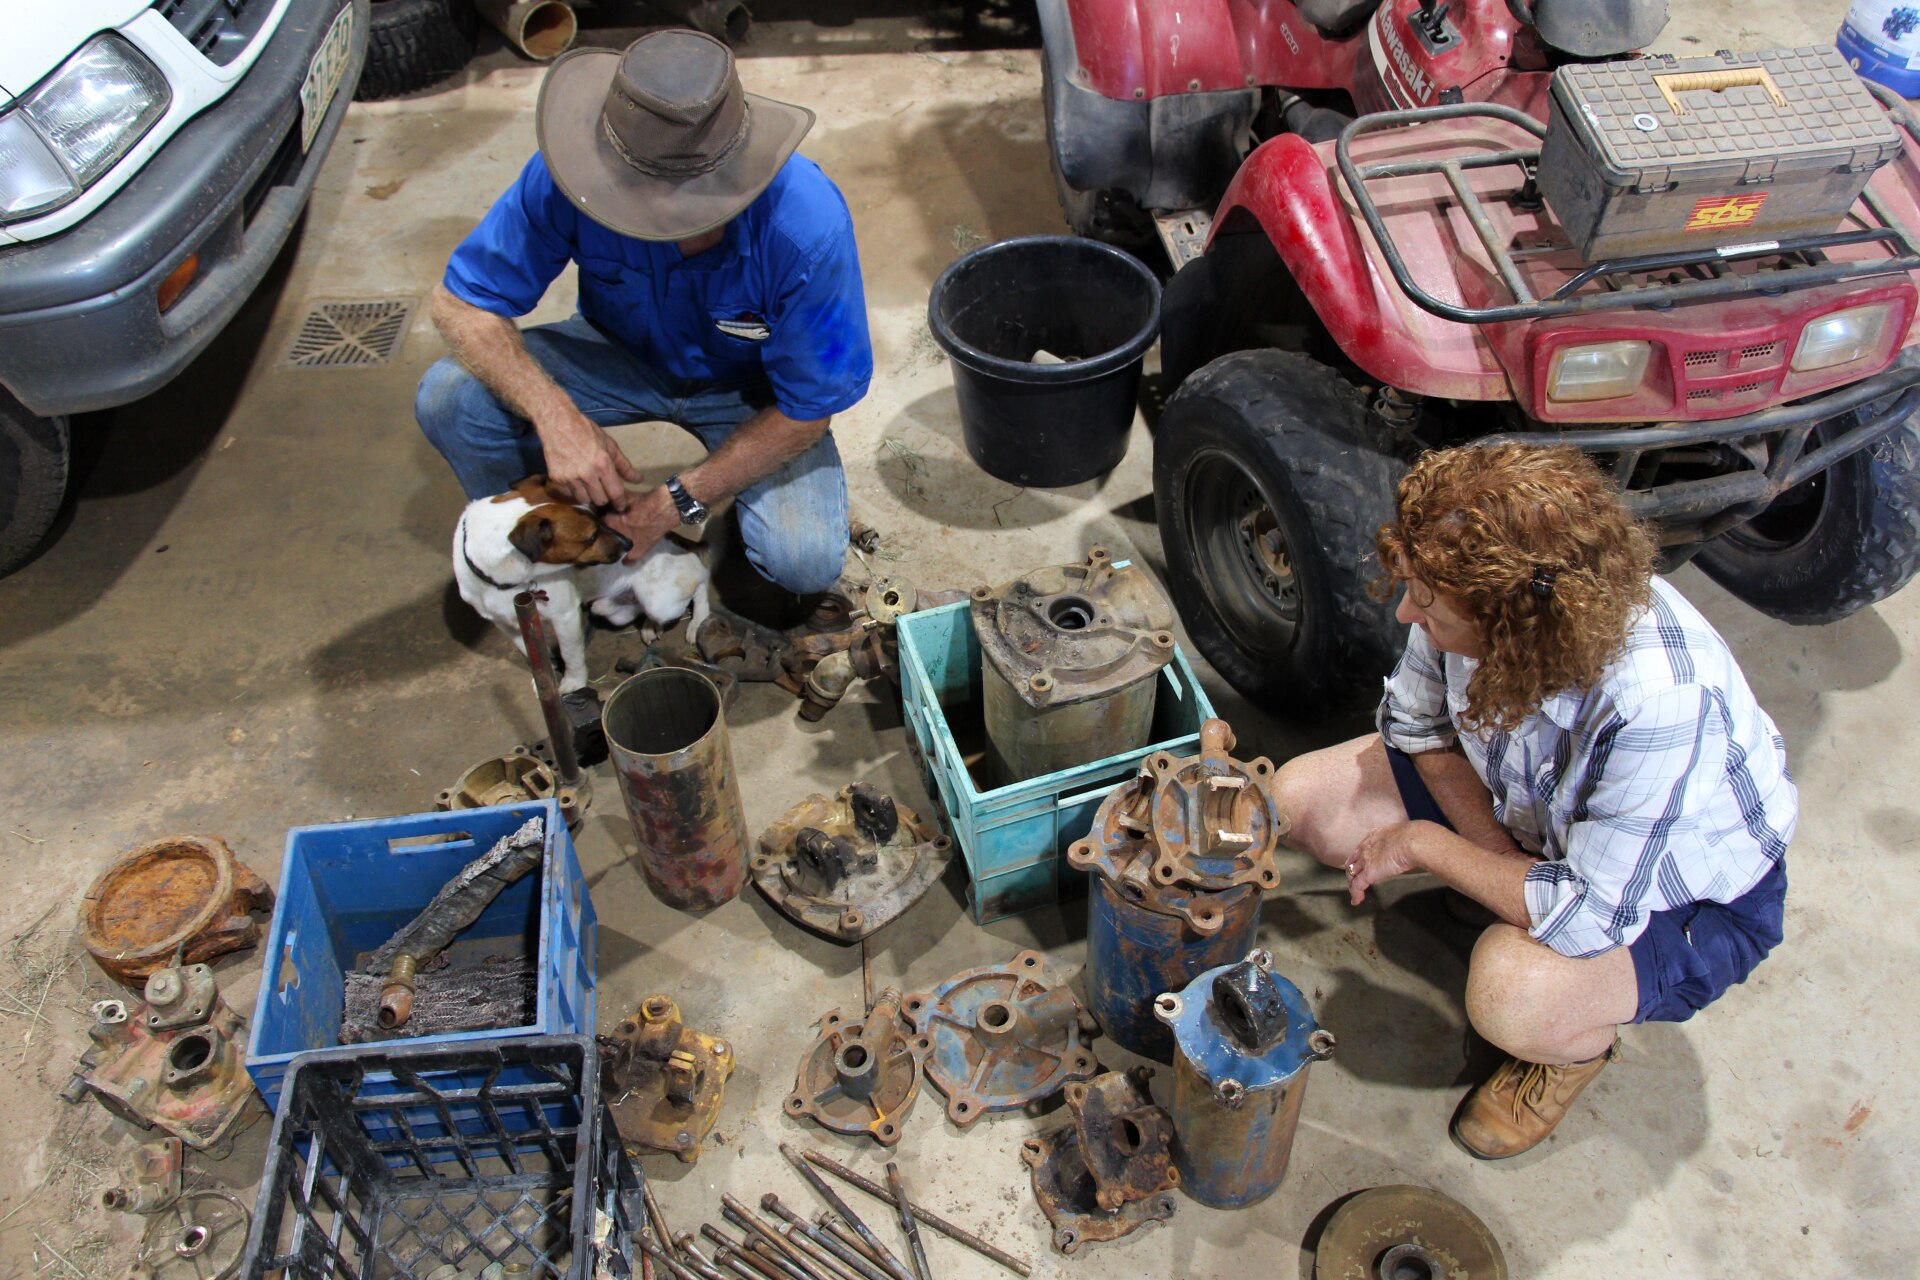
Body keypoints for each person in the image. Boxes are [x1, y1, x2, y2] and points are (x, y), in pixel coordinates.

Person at [1272, 444, 1796, 1159]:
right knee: (1305, 801)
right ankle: (1505, 884)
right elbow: (1418, 726)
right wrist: (1493, 858)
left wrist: (1428, 846)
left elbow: (1590, 916)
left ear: (1511, 626)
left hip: (1681, 899)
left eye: (1426, 604)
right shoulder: (1463, 591)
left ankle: (1573, 1048)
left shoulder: (1660, 703)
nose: (1405, 612)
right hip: (1529, 817)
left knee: (1509, 995)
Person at [415, 28, 872, 598]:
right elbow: (459, 303)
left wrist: (673, 502)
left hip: (750, 387)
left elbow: (808, 411)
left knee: (803, 561)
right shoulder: (570, 177)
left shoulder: (808, 228)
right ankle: (540, 553)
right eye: (637, 197)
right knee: (450, 398)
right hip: (617, 352)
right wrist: (556, 417)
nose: (658, 219)